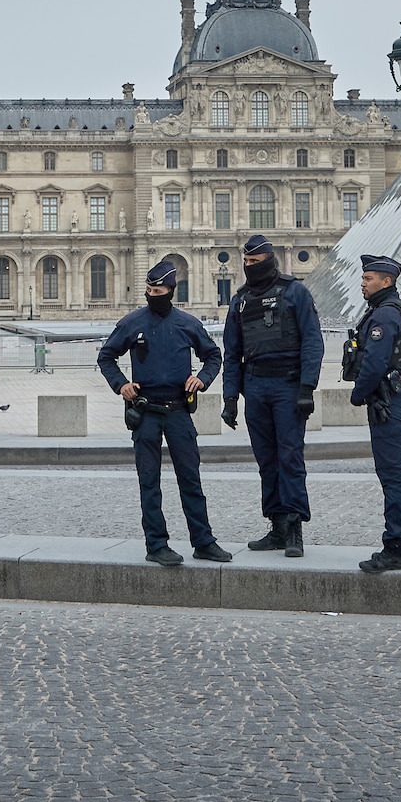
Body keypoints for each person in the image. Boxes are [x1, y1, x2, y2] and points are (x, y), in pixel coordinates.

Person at [98, 258, 231, 567]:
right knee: (149, 481)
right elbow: (107, 356)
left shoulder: (187, 323)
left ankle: (203, 541)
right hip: (145, 411)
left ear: (171, 290)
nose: (152, 294)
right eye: (148, 289)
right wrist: (121, 385)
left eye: (157, 289)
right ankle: (156, 544)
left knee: (190, 478)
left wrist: (202, 378)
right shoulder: (132, 322)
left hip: (178, 411)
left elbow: (213, 355)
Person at [220, 232, 323, 557]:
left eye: (256, 261)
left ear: (270, 259)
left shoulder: (296, 293)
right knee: (266, 460)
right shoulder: (239, 301)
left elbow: (312, 342)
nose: (250, 266)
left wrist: (307, 387)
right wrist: (230, 398)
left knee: (289, 457)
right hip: (256, 387)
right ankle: (277, 526)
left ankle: (294, 528)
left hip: (288, 386)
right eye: (247, 261)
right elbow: (232, 352)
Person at [344, 254, 401, 573]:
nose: (363, 283)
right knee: (397, 472)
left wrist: (358, 394)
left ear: (386, 282)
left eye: (368, 278)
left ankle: (396, 547)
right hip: (393, 396)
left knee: (393, 474)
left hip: (387, 399)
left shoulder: (385, 316)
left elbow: (374, 362)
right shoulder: (387, 310)